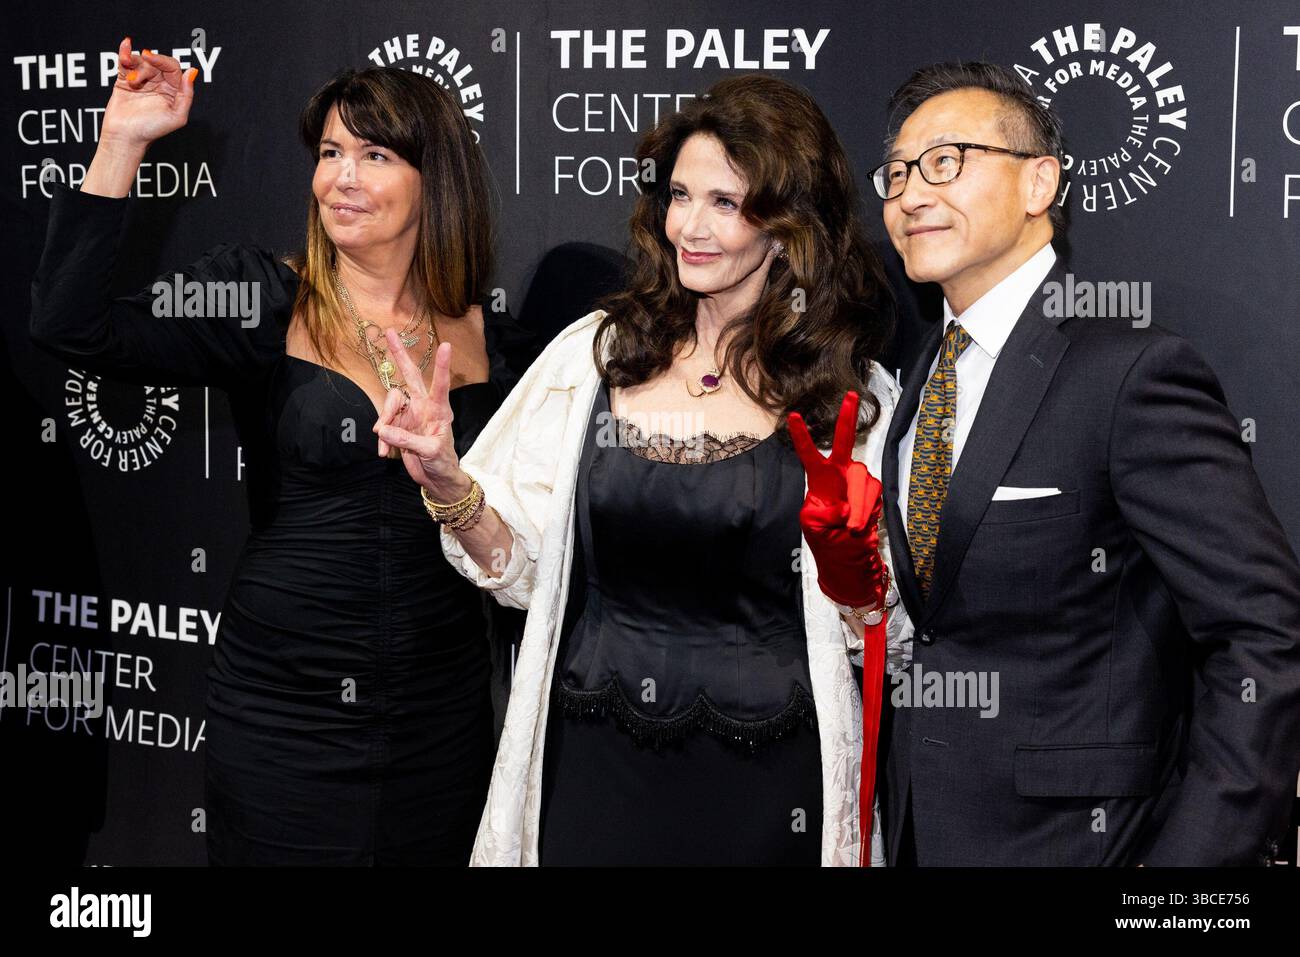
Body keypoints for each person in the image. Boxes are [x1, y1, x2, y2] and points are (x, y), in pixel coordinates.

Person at [376, 74, 911, 865]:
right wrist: (452, 486)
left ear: (789, 224)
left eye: (726, 203)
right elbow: (524, 576)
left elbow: (882, 636)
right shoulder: (596, 356)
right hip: (593, 764)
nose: (690, 226)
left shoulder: (850, 398)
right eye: (680, 195)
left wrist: (852, 567)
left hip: (769, 784)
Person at [29, 39, 534, 865]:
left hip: (440, 723)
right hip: (283, 718)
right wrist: (121, 140)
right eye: (331, 152)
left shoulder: (495, 340)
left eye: (374, 155)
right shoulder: (263, 298)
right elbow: (69, 324)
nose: (342, 176)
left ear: (433, 179)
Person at [842, 60, 1299, 866]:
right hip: (919, 833)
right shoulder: (923, 374)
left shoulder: (1130, 373)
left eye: (947, 161)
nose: (911, 193)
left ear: (1039, 182)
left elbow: (1265, 634)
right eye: (899, 172)